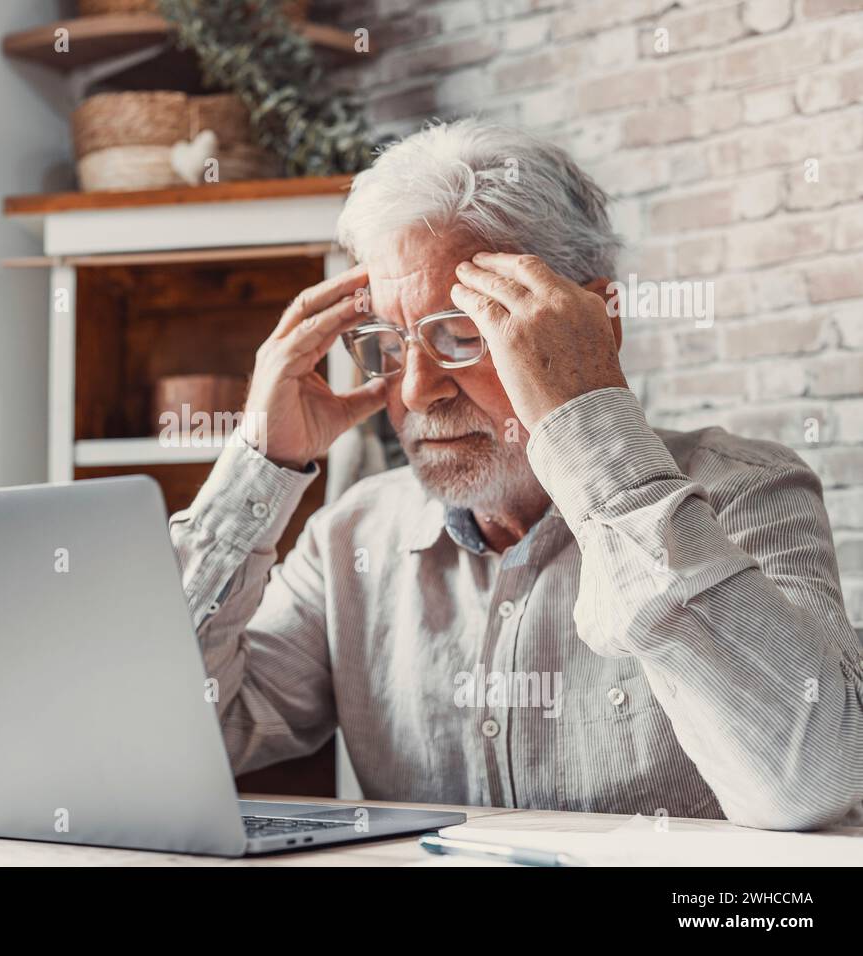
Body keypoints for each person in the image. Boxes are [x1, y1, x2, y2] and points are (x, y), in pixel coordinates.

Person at [169, 119, 863, 830]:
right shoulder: (351, 535)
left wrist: (588, 418)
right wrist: (259, 464)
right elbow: (176, 744)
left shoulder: (748, 494)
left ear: (594, 326)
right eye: (386, 342)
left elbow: (808, 784)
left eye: (463, 333)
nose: (414, 391)